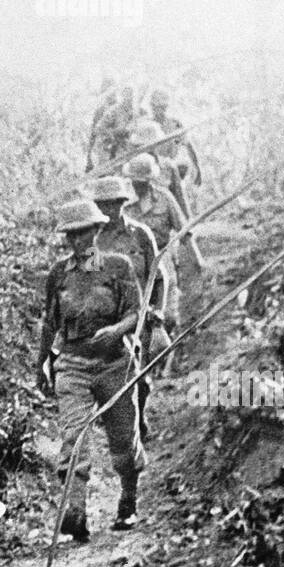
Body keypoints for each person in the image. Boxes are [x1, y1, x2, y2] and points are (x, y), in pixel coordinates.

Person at [37, 197, 145, 541]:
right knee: (74, 439)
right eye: (71, 236)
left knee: (123, 442)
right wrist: (42, 362)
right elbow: (49, 323)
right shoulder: (58, 274)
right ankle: (76, 512)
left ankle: (128, 501)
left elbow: (135, 313)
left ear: (97, 231)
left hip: (115, 364)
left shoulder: (118, 267)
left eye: (83, 234)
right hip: (72, 364)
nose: (76, 242)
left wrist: (115, 331)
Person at [92, 175, 168, 443]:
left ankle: (139, 418)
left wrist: (158, 316)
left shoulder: (140, 235)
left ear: (123, 204)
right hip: (112, 319)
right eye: (103, 205)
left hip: (142, 317)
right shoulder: (94, 241)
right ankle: (121, 427)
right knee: (114, 375)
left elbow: (159, 277)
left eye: (114, 204)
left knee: (142, 377)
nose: (109, 210)